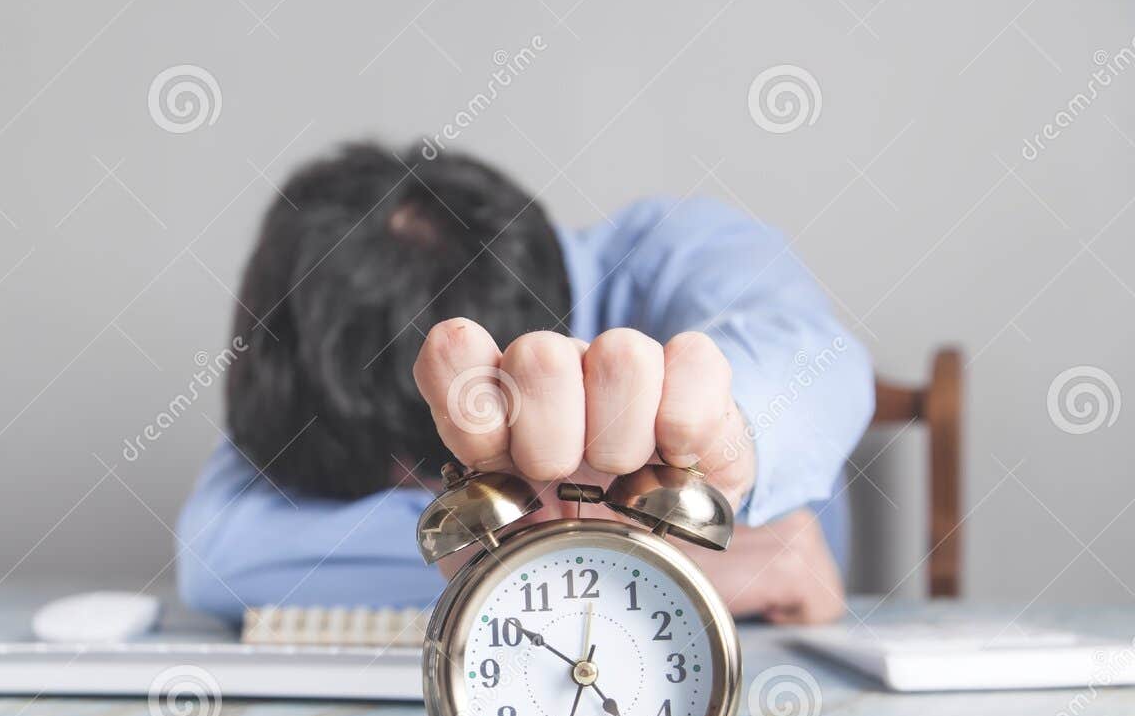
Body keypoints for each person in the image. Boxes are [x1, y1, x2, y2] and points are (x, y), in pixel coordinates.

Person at [176, 142, 872, 624]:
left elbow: (818, 361)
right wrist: (613, 568)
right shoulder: (309, 354)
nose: (409, 498)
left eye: (433, 482)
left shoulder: (681, 253)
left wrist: (722, 438)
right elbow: (218, 555)